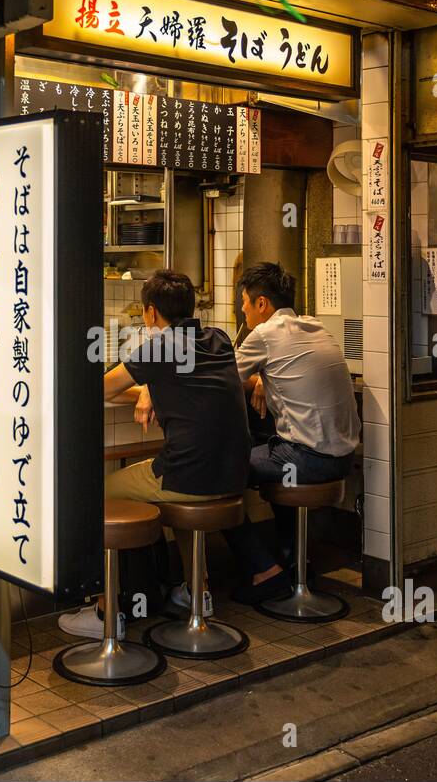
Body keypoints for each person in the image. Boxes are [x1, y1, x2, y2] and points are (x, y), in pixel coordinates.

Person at [58, 270, 251, 639]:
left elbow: (99, 389)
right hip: (232, 476)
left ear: (150, 312)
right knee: (180, 497)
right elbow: (179, 382)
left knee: (93, 496)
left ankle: (104, 611)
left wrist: (145, 383)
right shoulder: (219, 338)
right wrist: (148, 389)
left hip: (188, 475)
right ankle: (198, 591)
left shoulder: (160, 347)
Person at [224, 262, 362, 603]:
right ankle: (295, 568)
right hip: (343, 459)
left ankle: (264, 572)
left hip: (307, 459)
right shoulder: (316, 326)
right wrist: (261, 381)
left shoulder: (265, 334)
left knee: (217, 474)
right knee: (274, 456)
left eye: (244, 303)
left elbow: (219, 379)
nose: (242, 311)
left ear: (261, 304)